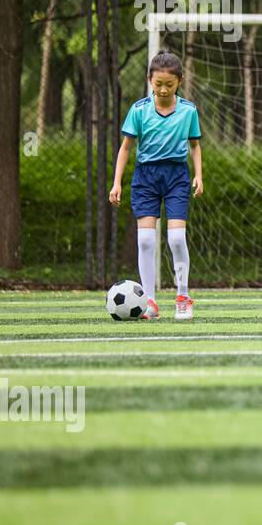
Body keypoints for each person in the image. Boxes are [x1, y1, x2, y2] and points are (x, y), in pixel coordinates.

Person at [109, 50, 203, 321]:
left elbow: (195, 147)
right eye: (158, 83)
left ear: (180, 81)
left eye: (169, 84)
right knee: (147, 240)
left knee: (175, 238)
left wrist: (198, 175)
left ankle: (183, 296)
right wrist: (117, 183)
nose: (163, 89)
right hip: (145, 178)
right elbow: (126, 148)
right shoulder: (139, 110)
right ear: (150, 79)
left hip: (176, 177)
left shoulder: (188, 111)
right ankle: (149, 302)